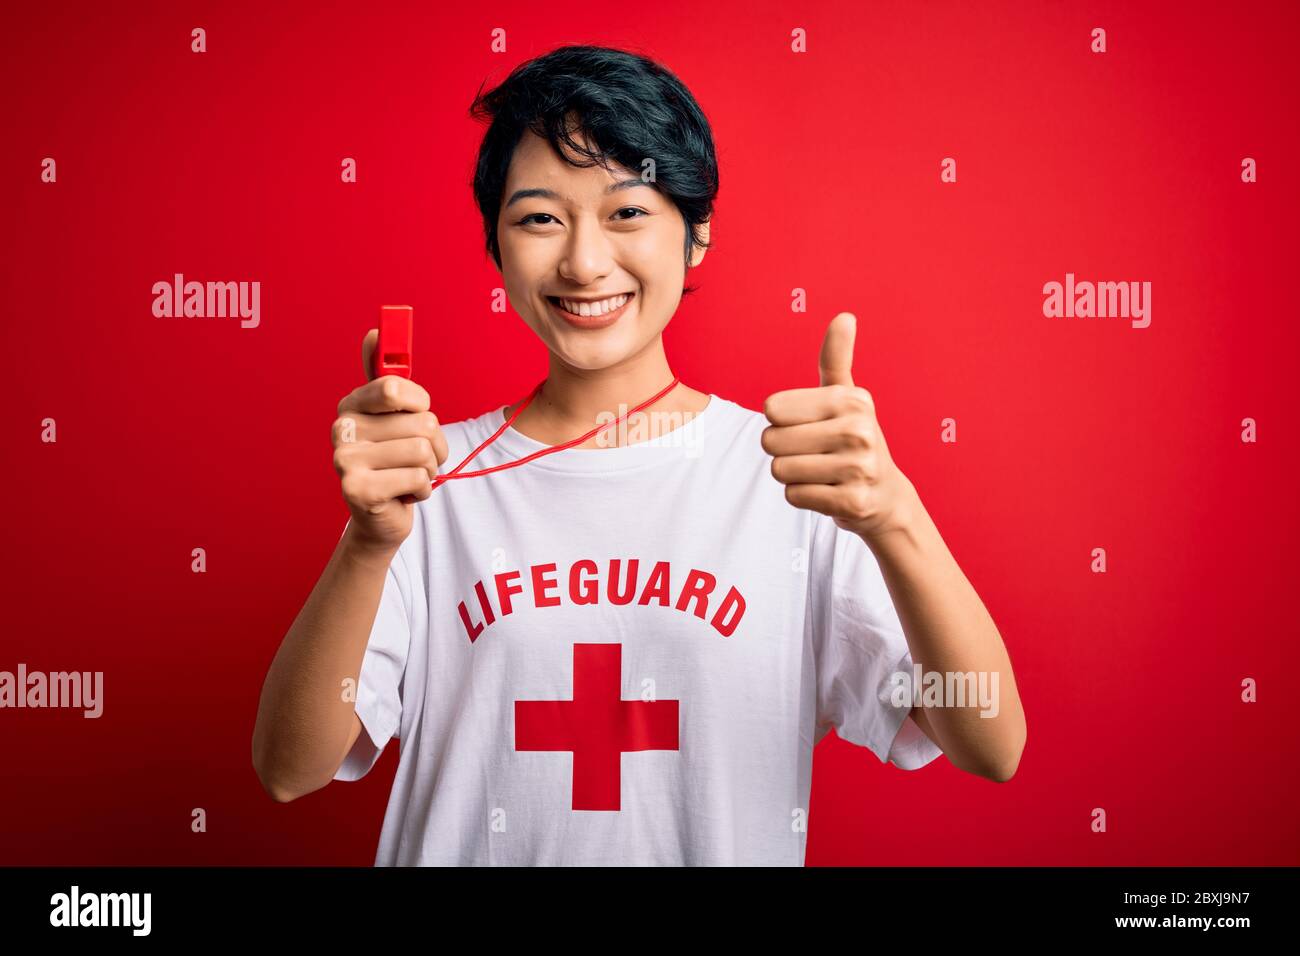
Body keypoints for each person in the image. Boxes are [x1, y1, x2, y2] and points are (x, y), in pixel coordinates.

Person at [251, 44, 1026, 866]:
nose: (585, 262)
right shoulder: (425, 481)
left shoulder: (792, 479)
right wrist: (369, 545)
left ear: (696, 237)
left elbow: (990, 743)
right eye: (540, 217)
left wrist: (896, 517)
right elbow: (289, 770)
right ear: (496, 246)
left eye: (628, 213)